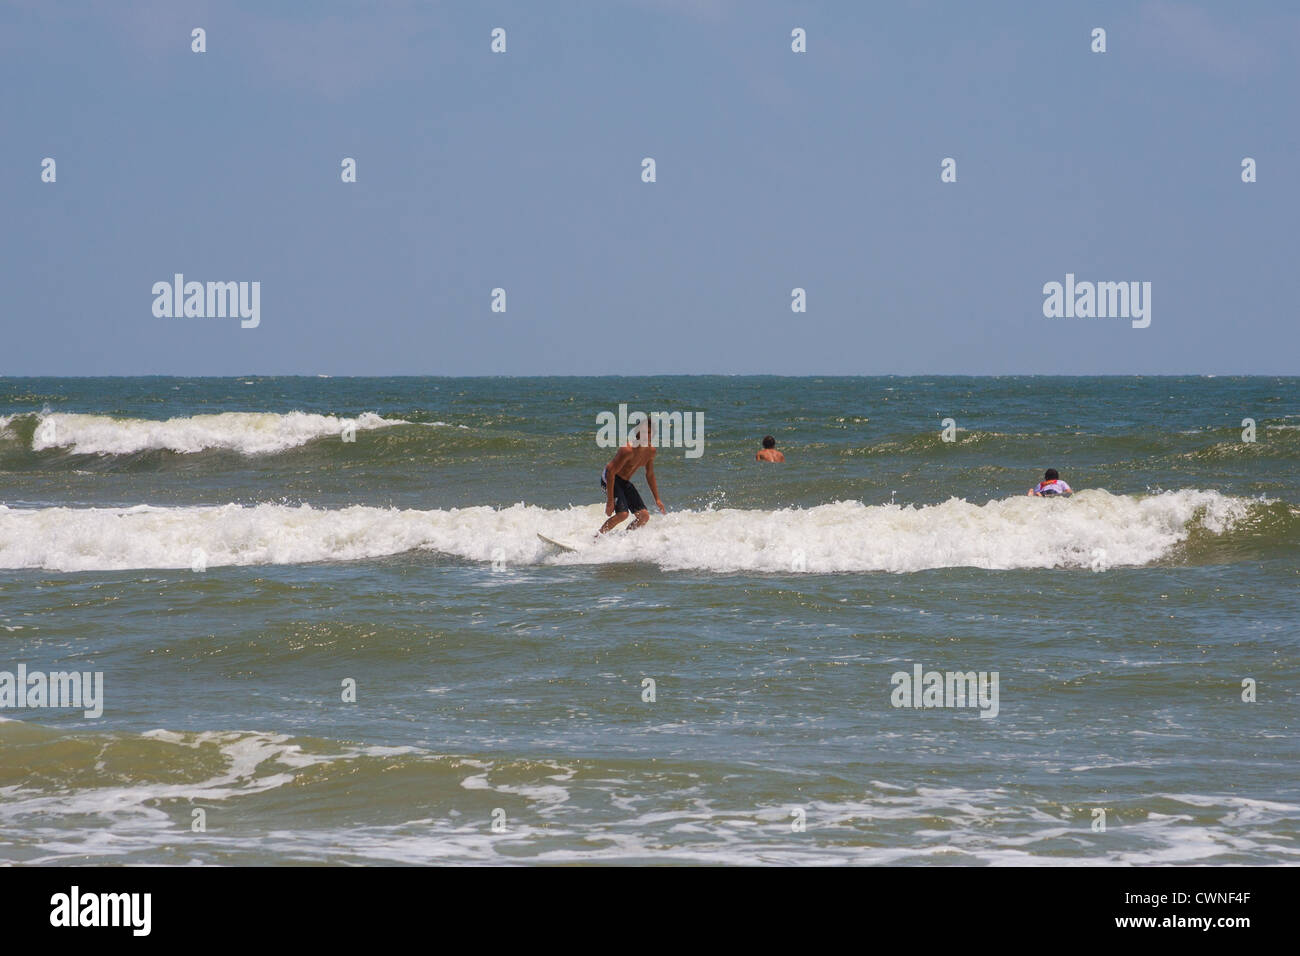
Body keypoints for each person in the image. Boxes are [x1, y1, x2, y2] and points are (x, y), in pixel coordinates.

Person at [599, 418, 665, 534]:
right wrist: (610, 502)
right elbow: (610, 472)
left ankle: (625, 538)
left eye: (649, 432)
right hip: (609, 478)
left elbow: (649, 475)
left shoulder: (651, 451)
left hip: (624, 481)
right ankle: (597, 538)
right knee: (623, 514)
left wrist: (657, 499)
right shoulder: (627, 450)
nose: (646, 435)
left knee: (644, 516)